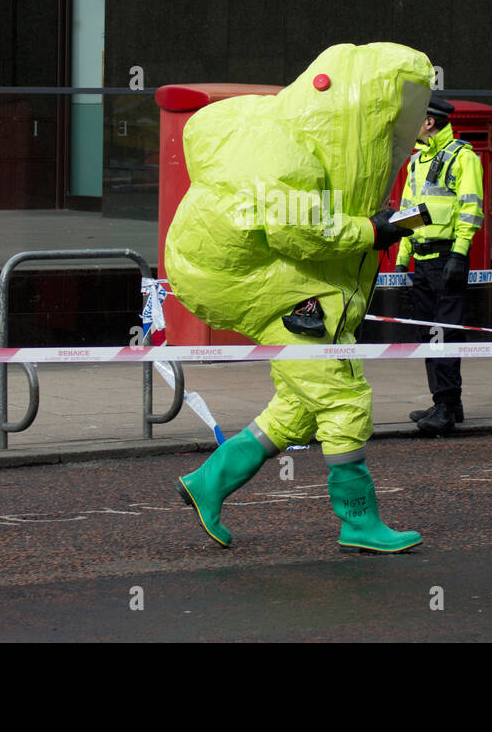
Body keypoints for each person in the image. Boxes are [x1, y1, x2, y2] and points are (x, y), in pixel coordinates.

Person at [167, 42, 433, 554]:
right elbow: (298, 229)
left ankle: (209, 482)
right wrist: (369, 231)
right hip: (266, 282)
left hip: (277, 281)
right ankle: (358, 521)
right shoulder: (284, 147)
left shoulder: (317, 141)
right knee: (342, 397)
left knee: (298, 406)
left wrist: (372, 227)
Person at [394, 94, 485, 435]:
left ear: (429, 122)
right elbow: (408, 213)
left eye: (415, 118)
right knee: (428, 335)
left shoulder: (463, 158)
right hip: (422, 259)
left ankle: (445, 408)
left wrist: (460, 253)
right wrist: (403, 260)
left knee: (444, 335)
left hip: (448, 258)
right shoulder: (416, 161)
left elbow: (471, 207)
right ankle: (446, 402)